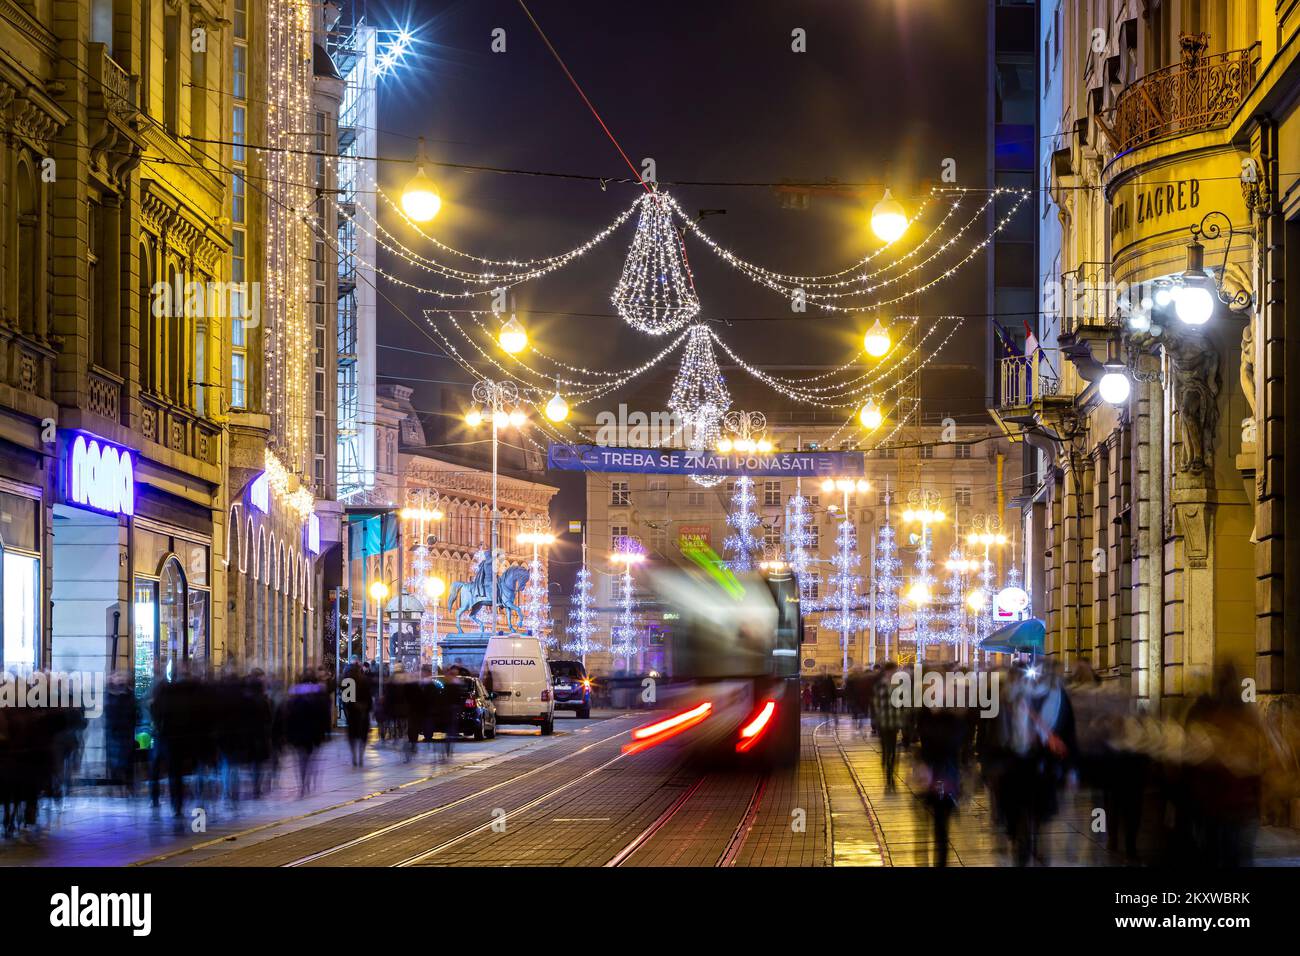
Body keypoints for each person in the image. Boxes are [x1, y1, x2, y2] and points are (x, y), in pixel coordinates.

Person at [872, 662, 905, 789]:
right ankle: (887, 774)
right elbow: (876, 704)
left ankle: (891, 775)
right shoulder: (880, 686)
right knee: (886, 751)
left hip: (895, 723)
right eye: (892, 671)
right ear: (886, 672)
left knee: (894, 751)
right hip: (884, 723)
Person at [341, 658, 373, 767]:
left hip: (352, 712)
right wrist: (368, 709)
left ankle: (354, 755)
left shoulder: (347, 681)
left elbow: (345, 700)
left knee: (352, 736)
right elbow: (368, 697)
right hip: (362, 711)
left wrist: (348, 710)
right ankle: (360, 755)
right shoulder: (363, 679)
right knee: (363, 736)